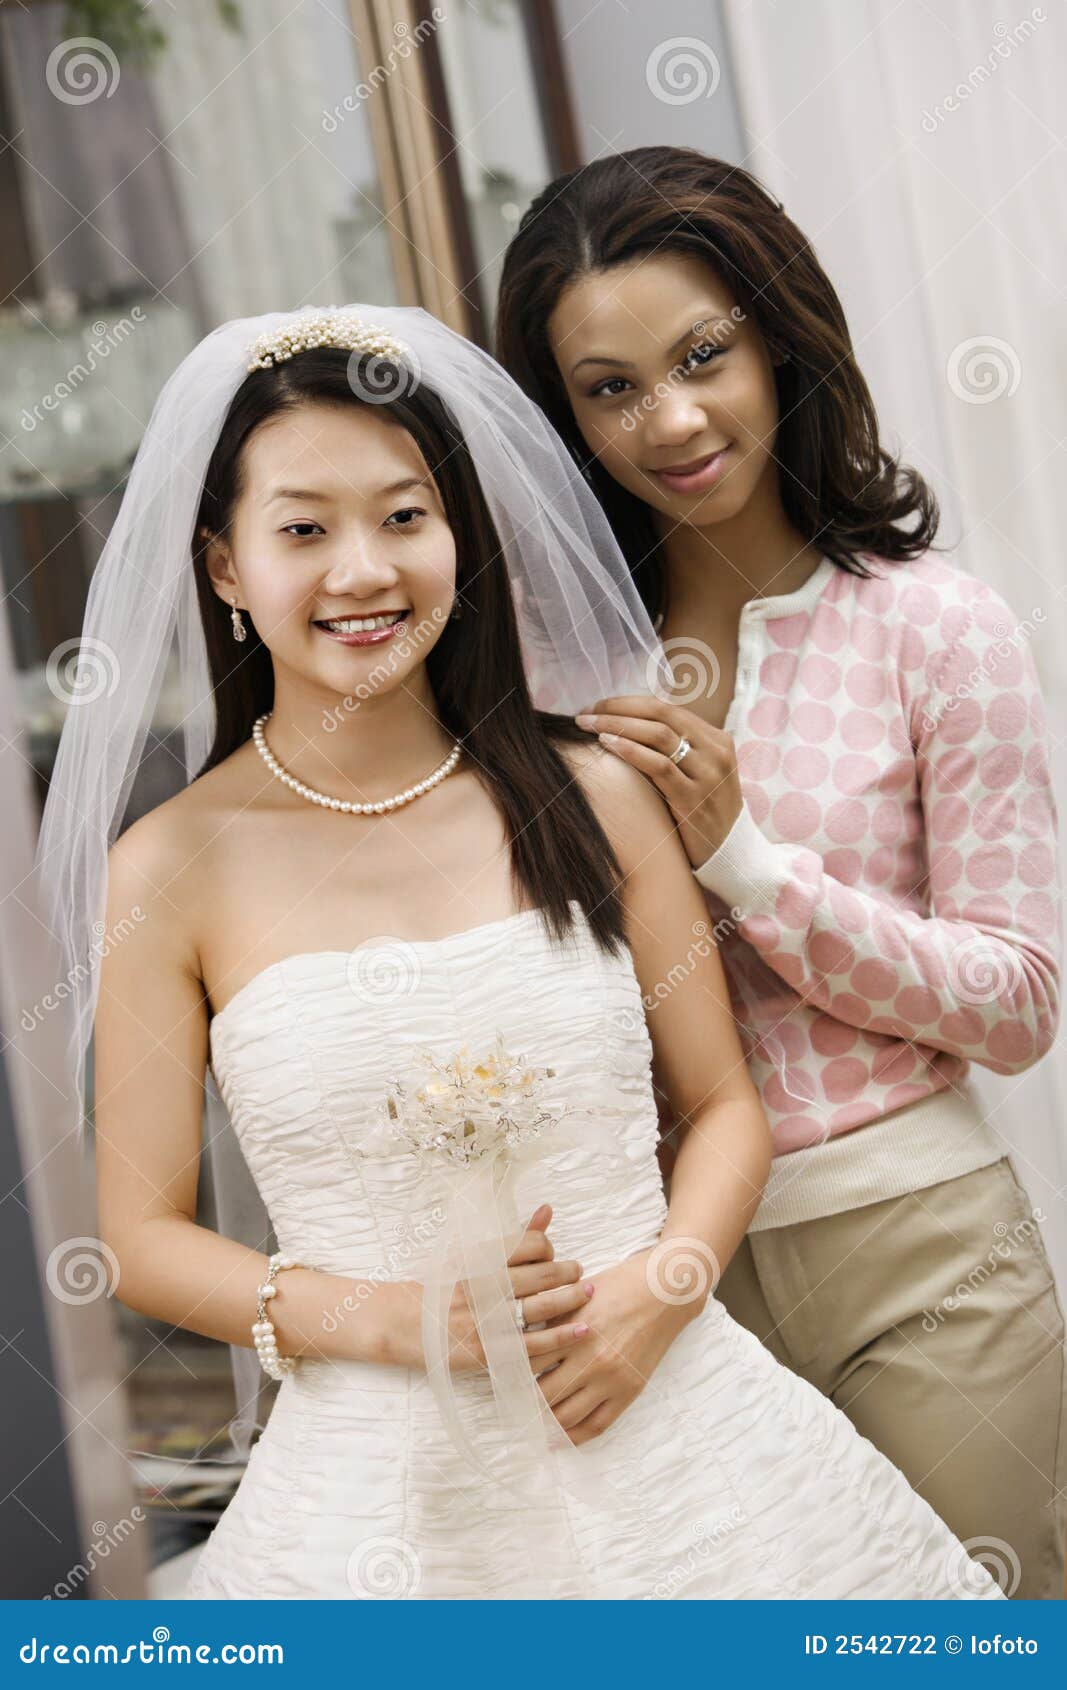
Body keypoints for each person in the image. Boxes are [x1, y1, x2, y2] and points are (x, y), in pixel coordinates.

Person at [34, 305, 1007, 1600]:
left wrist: (660, 1293)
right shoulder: (168, 867)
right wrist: (391, 1321)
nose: (364, 571)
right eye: (304, 530)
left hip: (674, 1420)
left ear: (460, 536)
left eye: (404, 516)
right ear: (225, 567)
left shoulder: (594, 794)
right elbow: (141, 1234)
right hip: (376, 1483)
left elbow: (725, 1107)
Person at [495, 144, 1066, 1600]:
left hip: (925, 1262)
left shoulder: (936, 629)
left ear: (781, 340)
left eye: (705, 356)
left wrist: (748, 864)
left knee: (975, 1648)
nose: (673, 420)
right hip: (657, 1292)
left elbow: (1018, 1005)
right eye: (610, 387)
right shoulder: (546, 675)